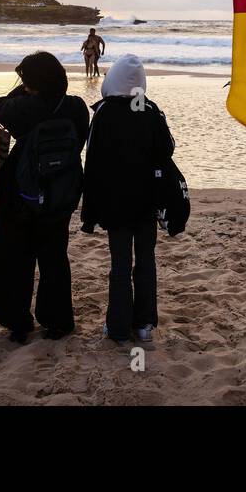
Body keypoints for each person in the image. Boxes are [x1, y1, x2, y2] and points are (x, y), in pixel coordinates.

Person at [0, 51, 90, 342]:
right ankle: (57, 321)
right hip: (61, 192)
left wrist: (23, 90)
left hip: (21, 193)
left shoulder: (22, 108)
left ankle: (18, 322)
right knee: (54, 257)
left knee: (13, 258)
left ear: (30, 82)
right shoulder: (76, 107)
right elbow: (80, 140)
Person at [80, 54, 175, 344]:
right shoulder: (150, 109)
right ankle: (144, 325)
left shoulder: (106, 113)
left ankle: (119, 327)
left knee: (120, 264)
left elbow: (92, 163)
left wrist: (90, 212)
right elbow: (167, 150)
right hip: (147, 201)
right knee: (146, 261)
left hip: (116, 203)